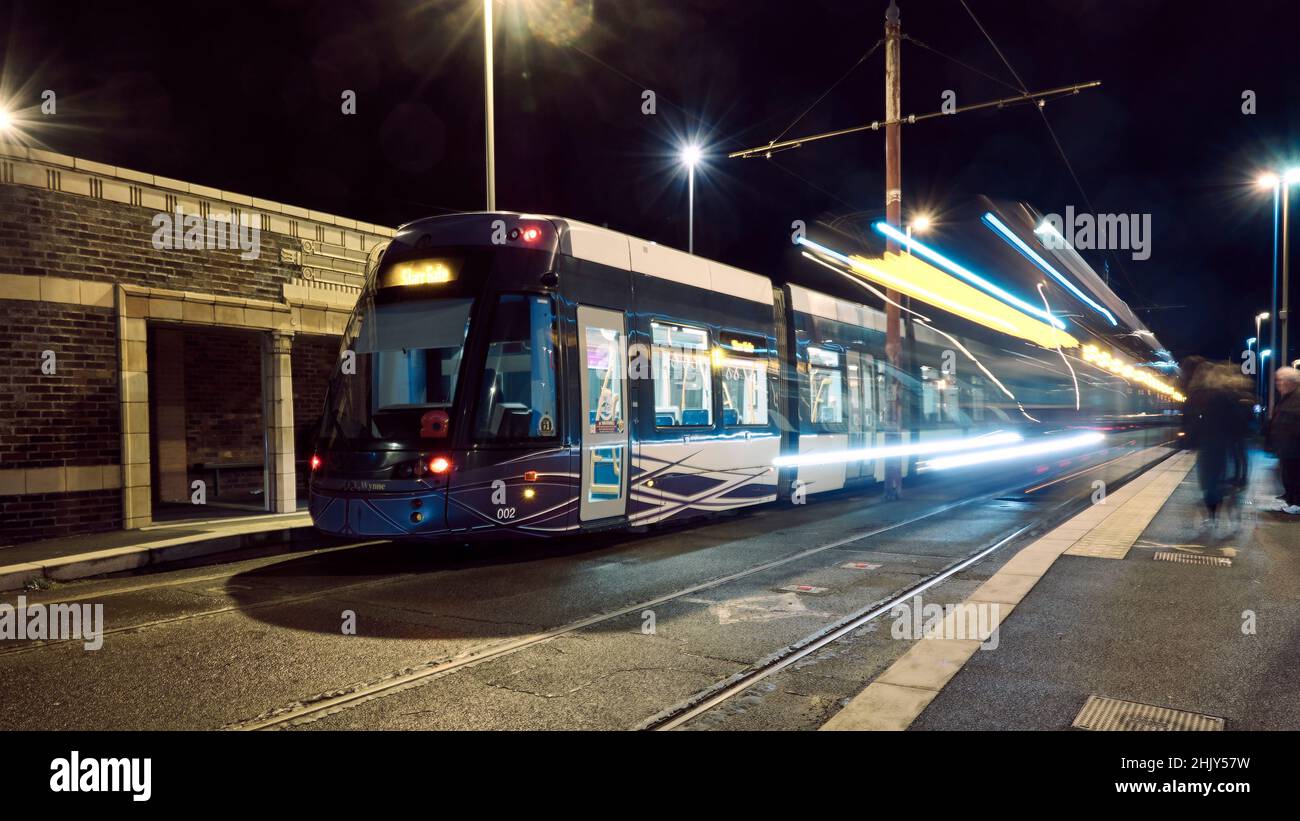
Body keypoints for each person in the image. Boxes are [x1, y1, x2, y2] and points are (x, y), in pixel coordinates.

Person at [1183, 361, 1251, 528]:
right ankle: (1230, 509)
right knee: (1228, 478)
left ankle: (1212, 513)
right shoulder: (1236, 396)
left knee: (1209, 480)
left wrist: (1190, 441)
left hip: (1210, 444)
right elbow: (1242, 422)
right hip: (1232, 445)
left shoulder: (1202, 396)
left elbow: (1192, 421)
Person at [1265, 366, 1300, 515]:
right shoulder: (1289, 396)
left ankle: (1297, 503)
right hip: (1288, 446)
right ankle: (1291, 499)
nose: (1278, 384)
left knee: (1295, 474)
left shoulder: (1296, 397)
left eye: (1281, 381)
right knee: (1289, 473)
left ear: (1291, 382)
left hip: (1295, 446)